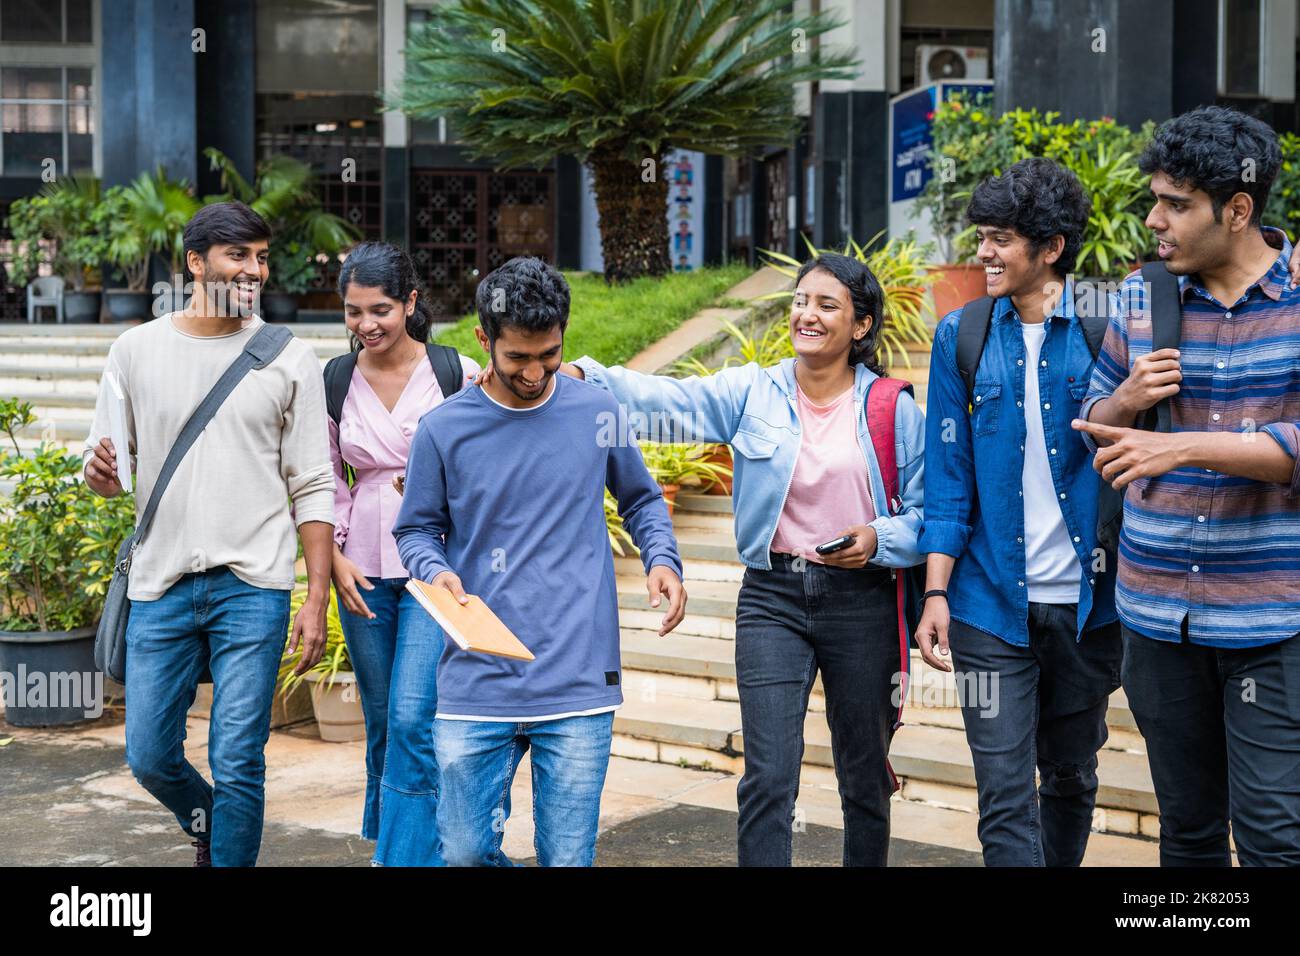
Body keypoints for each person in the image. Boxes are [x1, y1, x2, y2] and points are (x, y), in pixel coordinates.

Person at [501, 251, 927, 867]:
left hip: (861, 603)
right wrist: (584, 374)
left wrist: (876, 540)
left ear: (861, 326)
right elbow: (669, 402)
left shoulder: (893, 410)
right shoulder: (754, 389)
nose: (806, 314)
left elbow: (924, 519)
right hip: (773, 598)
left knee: (863, 777)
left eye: (826, 305)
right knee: (768, 776)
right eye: (801, 301)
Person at [392, 256, 686, 867]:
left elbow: (641, 499)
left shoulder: (597, 411)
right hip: (476, 678)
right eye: (517, 357)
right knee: (467, 853)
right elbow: (416, 529)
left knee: (567, 858)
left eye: (548, 354)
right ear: (483, 339)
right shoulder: (443, 430)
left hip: (578, 676)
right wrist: (434, 570)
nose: (534, 372)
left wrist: (663, 558)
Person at [1075, 106, 1300, 865]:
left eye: (1175, 204)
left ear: (1237, 210)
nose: (1154, 219)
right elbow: (1097, 425)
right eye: (1154, 199)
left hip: (1273, 620)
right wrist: (1126, 400)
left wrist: (1182, 447)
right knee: (1189, 832)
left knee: (1274, 837)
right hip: (1155, 612)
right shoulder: (1142, 298)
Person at [82, 201, 335, 867]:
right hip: (159, 582)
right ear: (196, 263)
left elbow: (313, 481)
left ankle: (227, 854)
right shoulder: (134, 350)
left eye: (261, 257)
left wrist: (316, 597)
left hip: (253, 586)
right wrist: (101, 475)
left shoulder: (290, 359)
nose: (255, 269)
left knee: (238, 757)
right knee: (149, 755)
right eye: (239, 256)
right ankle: (212, 826)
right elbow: (109, 471)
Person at [915, 158, 1121, 867]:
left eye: (1001, 238)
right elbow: (948, 477)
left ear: (1051, 247)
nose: (984, 253)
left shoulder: (1106, 324)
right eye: (982, 237)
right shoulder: (962, 336)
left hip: (1089, 606)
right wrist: (936, 589)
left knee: (1068, 775)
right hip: (988, 602)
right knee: (1003, 795)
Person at [326, 242, 482, 866]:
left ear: (411, 303)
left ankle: (408, 859)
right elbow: (324, 477)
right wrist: (333, 558)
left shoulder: (457, 372)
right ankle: (398, 840)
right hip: (360, 564)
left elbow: (482, 467)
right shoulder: (334, 379)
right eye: (353, 311)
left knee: (416, 716)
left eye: (381, 309)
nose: (366, 325)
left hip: (433, 567)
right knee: (384, 718)